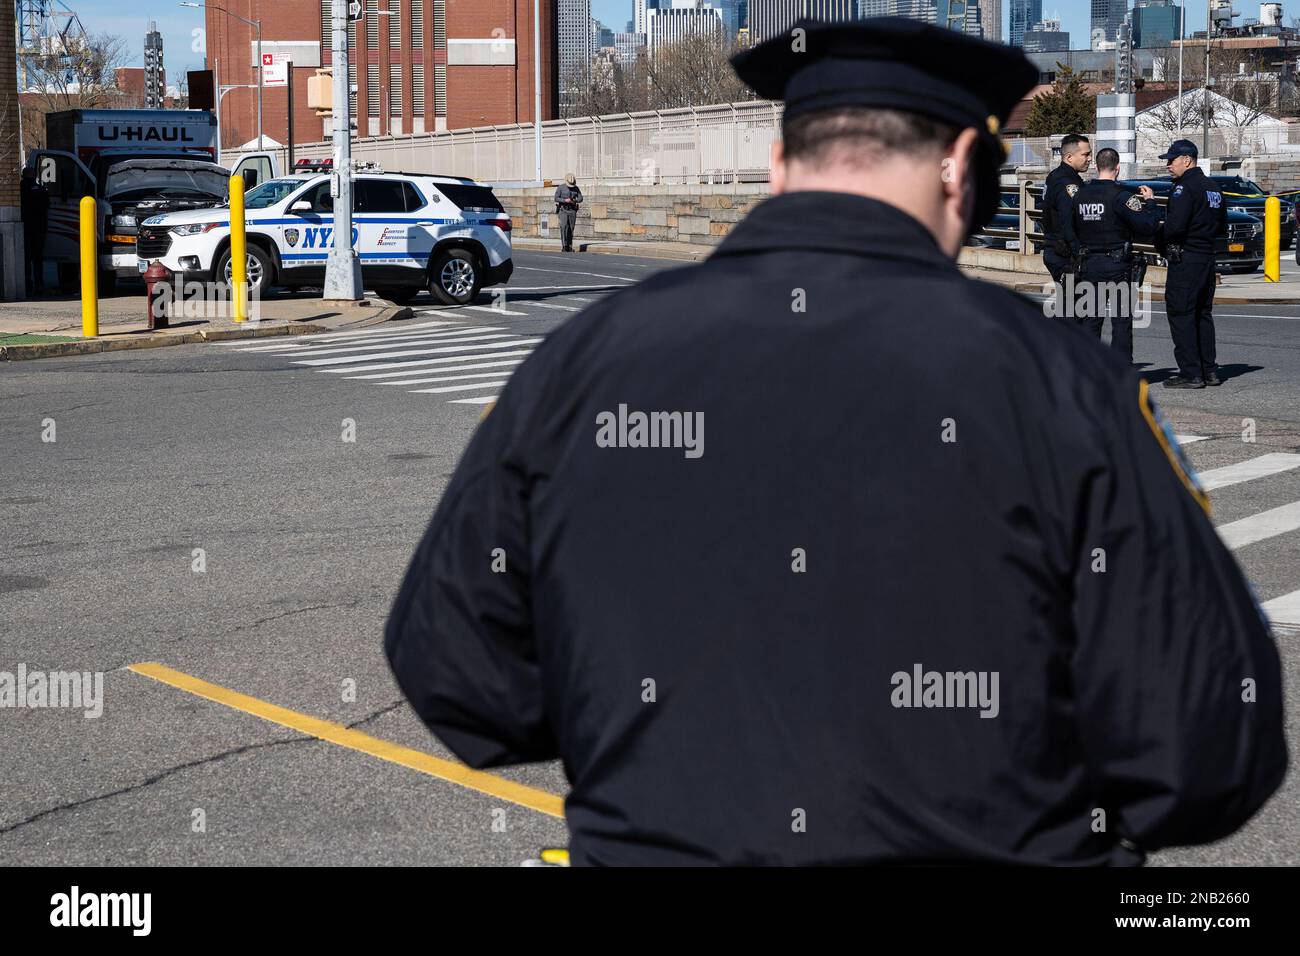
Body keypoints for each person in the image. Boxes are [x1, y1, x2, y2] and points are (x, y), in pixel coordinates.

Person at [385, 18, 1286, 866]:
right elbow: (1212, 742)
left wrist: (646, 746)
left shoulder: (581, 360)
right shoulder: (1062, 383)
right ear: (960, 167)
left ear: (781, 165)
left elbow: (452, 670)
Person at [1069, 147, 1160, 361]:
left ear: (1096, 167)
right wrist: (1151, 201)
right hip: (1118, 264)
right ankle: (1120, 369)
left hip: (1089, 263)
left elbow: (1070, 226)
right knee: (1121, 320)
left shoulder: (1080, 195)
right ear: (1117, 168)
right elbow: (1149, 225)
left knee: (1091, 319)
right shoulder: (1121, 196)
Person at [1159, 139, 1226, 388]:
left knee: (1181, 313)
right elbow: (1220, 225)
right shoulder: (1213, 187)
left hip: (1186, 258)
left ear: (1186, 160)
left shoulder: (1184, 188)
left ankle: (1190, 372)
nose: (1168, 165)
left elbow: (1175, 227)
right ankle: (1209, 370)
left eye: (1171, 160)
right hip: (1207, 257)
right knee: (1202, 314)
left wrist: (1158, 237)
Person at [1041, 134, 1090, 283]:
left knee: (1071, 304)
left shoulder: (1057, 176)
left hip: (1057, 249)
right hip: (1064, 253)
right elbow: (1067, 220)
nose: (1089, 159)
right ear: (1069, 157)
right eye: (1085, 155)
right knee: (1075, 303)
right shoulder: (1067, 183)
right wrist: (1079, 253)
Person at [20, 166, 50, 296]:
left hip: (25, 228)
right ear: (34, 175)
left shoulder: (18, 190)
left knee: (26, 258)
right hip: (39, 228)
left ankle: (27, 284)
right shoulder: (41, 190)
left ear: (22, 175)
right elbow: (47, 205)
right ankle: (39, 285)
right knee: (38, 258)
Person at [554, 173, 583, 252]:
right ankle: (564, 246)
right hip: (563, 209)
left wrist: (575, 200)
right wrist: (565, 200)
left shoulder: (576, 188)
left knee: (571, 228)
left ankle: (570, 246)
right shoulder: (561, 187)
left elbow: (581, 198)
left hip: (572, 210)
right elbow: (556, 198)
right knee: (563, 227)